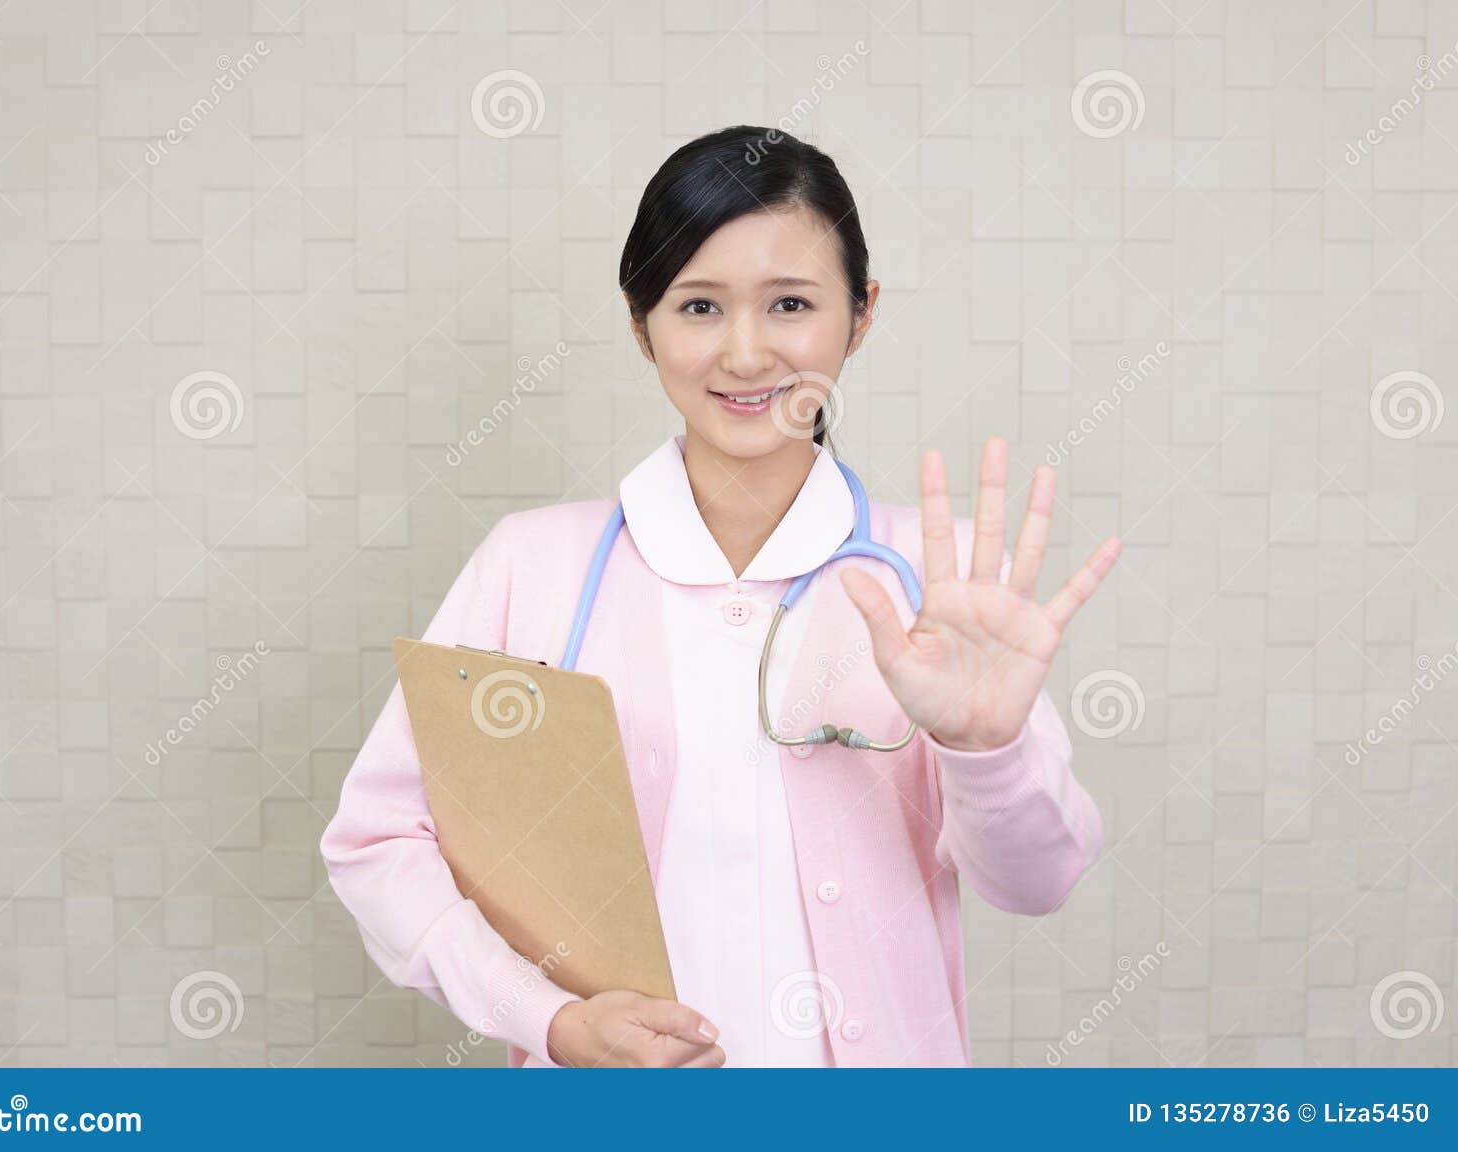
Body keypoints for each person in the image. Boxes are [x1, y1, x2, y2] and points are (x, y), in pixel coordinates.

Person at [319, 125, 1123, 1068]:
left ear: (861, 315)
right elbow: (376, 841)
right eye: (698, 306)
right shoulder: (531, 567)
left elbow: (1037, 883)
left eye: (790, 303)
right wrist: (546, 1019)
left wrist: (984, 752)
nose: (745, 355)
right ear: (641, 324)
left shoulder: (935, 586)